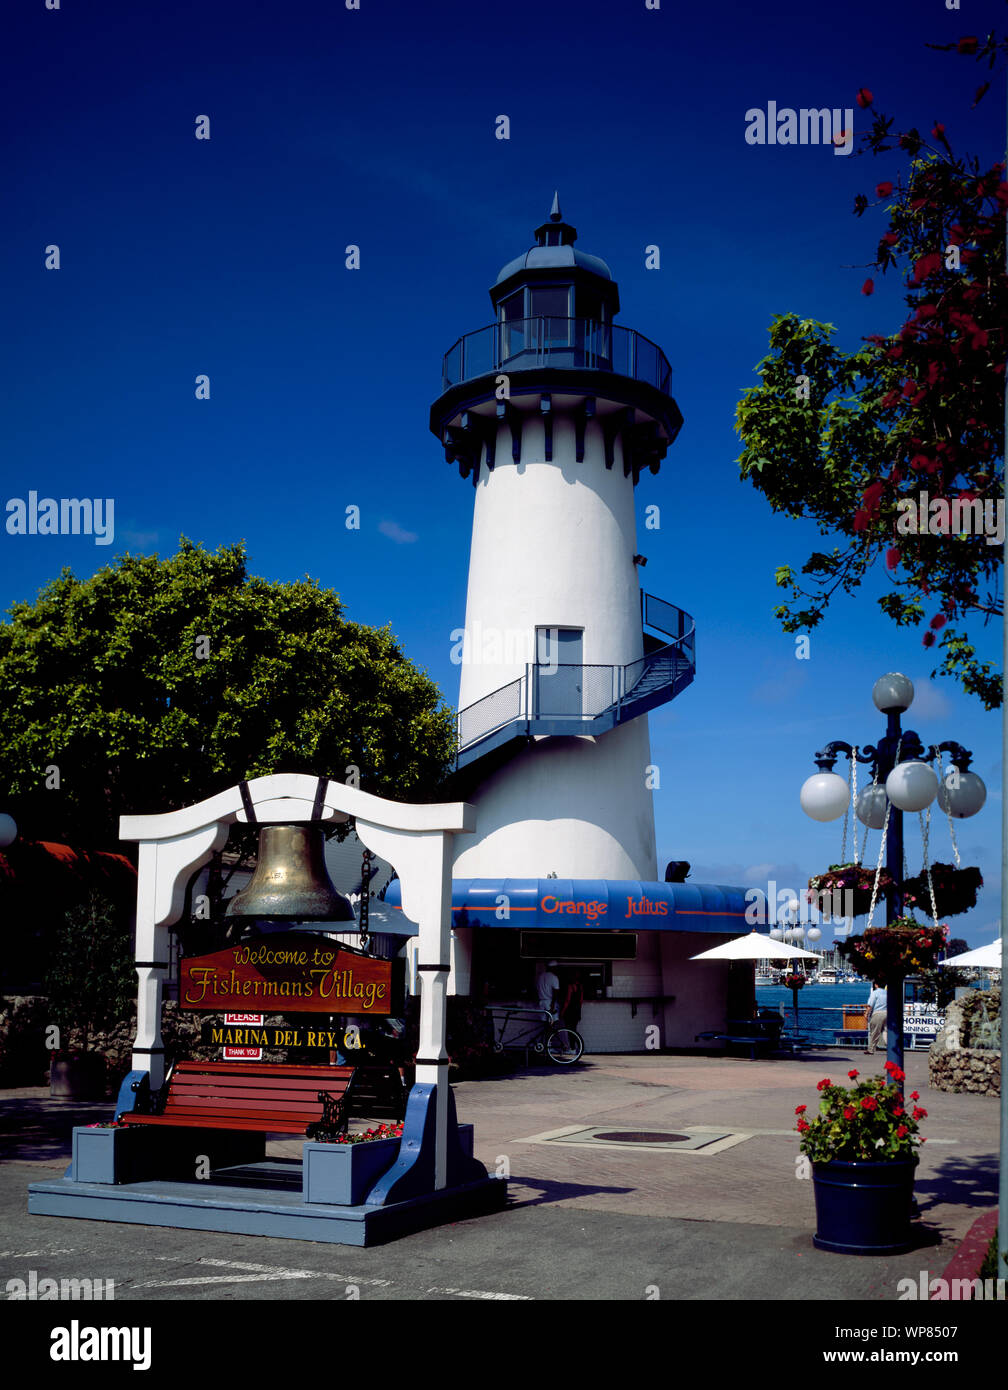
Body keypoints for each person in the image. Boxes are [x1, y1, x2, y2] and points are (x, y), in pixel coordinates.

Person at [865, 983, 888, 1054]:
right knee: (885, 1031)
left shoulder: (875, 993)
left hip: (877, 1013)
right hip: (887, 1013)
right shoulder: (888, 993)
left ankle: (871, 1049)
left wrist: (866, 1013)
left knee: (875, 1032)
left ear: (876, 985)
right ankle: (891, 1047)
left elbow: (870, 1005)